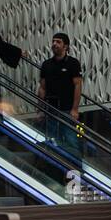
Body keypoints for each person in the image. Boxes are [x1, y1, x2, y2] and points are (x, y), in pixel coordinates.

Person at [38, 32, 84, 160]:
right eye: (53, 41)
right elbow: (42, 87)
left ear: (66, 46)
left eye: (58, 42)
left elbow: (78, 85)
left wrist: (75, 109)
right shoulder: (46, 64)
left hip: (67, 109)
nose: (54, 44)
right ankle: (55, 169)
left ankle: (75, 170)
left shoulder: (73, 63)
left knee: (71, 140)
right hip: (50, 109)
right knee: (53, 141)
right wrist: (40, 109)